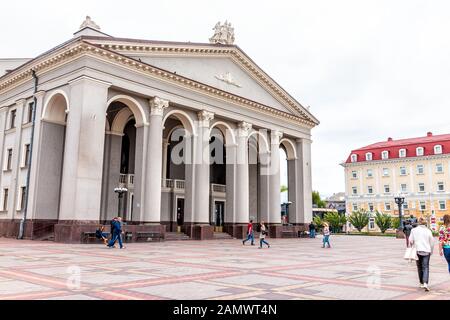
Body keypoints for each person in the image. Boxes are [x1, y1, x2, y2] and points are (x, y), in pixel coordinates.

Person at [409, 217, 434, 291]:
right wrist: (431, 251)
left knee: (419, 267)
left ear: (418, 223)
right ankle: (425, 283)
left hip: (417, 250)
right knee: (425, 267)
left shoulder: (414, 230)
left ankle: (421, 283)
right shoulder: (428, 231)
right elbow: (432, 242)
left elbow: (410, 240)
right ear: (425, 223)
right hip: (426, 250)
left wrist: (412, 245)